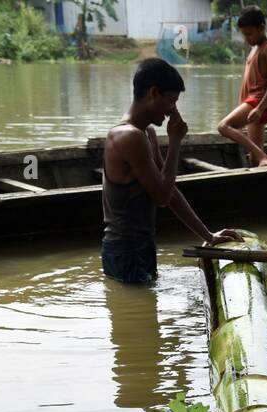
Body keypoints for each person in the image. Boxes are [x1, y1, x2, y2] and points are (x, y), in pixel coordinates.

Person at [102, 58, 239, 284]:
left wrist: (208, 236)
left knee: (146, 314)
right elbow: (162, 197)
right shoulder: (129, 136)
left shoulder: (146, 134)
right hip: (125, 249)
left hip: (142, 244)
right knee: (138, 316)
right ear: (153, 93)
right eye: (171, 101)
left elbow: (169, 190)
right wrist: (175, 142)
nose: (173, 110)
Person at [217, 6, 267, 168]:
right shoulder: (254, 48)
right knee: (253, 159)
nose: (247, 38)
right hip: (250, 103)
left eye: (250, 34)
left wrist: (259, 108)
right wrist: (243, 103)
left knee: (224, 126)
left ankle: (264, 157)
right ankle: (261, 160)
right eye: (244, 34)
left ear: (262, 28)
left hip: (258, 102)